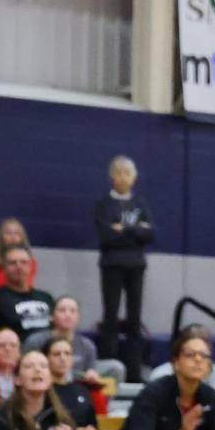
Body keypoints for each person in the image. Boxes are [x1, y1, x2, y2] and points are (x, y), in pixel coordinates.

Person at [93, 155, 154, 380]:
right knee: (110, 317)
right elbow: (106, 236)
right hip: (111, 266)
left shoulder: (140, 204)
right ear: (111, 177)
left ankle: (134, 373)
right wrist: (135, 230)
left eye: (127, 173)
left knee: (134, 319)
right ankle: (109, 370)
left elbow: (150, 233)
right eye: (118, 172)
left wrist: (124, 229)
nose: (123, 177)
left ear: (134, 178)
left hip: (136, 266)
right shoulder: (103, 205)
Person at [27, 295, 125, 386]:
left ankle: (100, 404)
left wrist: (91, 375)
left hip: (77, 382)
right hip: (46, 383)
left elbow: (90, 369)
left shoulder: (87, 345)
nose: (67, 315)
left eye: (73, 311)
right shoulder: (36, 341)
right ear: (52, 316)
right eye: (62, 310)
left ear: (78, 317)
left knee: (116, 367)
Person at [0, 249, 54, 352]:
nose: (19, 267)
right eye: (12, 263)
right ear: (4, 268)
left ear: (31, 267)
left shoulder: (46, 298)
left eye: (23, 262)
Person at [44, 338, 112, 430]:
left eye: (67, 354)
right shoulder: (43, 391)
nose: (63, 358)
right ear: (46, 359)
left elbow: (93, 425)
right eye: (57, 354)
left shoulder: (82, 389)